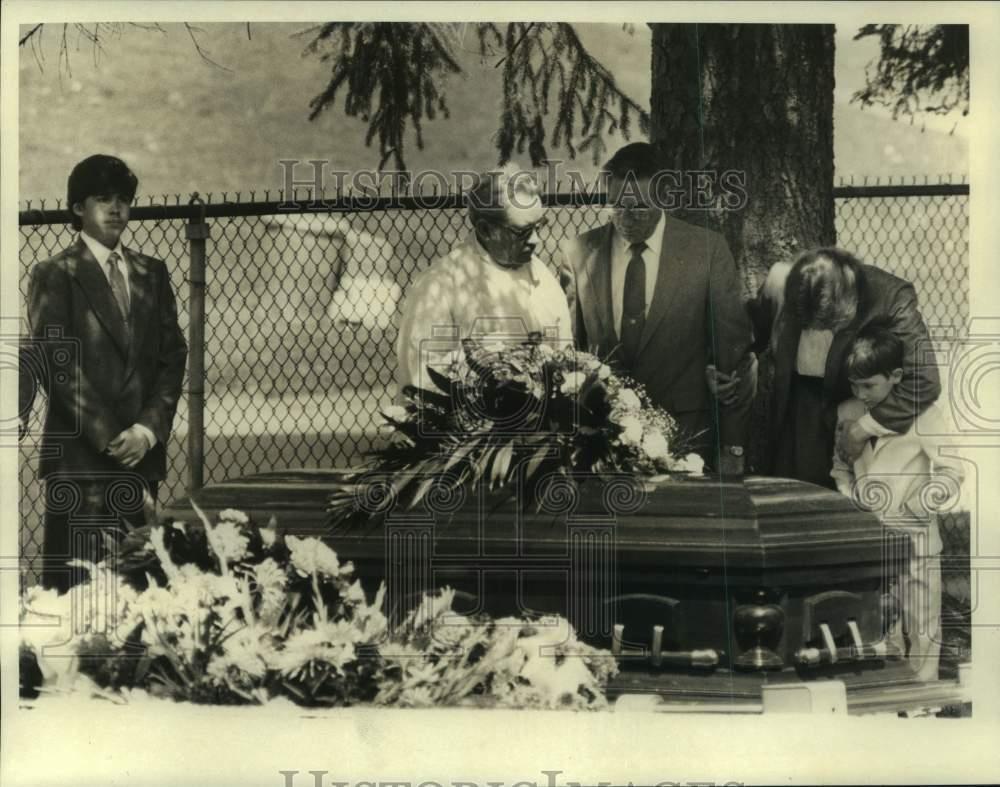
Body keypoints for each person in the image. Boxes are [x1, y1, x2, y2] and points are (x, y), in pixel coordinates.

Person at [26, 154, 188, 592]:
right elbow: (59, 365)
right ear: (78, 207)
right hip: (81, 465)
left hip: (140, 460)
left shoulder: (151, 273)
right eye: (102, 198)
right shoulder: (55, 274)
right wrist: (114, 438)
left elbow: (172, 357)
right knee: (78, 594)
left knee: (139, 591)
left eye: (123, 199)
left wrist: (147, 431)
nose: (116, 208)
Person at [560, 142, 756, 474]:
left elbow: (733, 361)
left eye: (639, 206)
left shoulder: (706, 251)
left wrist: (733, 446)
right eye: (616, 204)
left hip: (686, 437)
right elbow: (571, 353)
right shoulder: (579, 253)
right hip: (602, 441)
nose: (626, 217)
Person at [831, 322, 962, 682]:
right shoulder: (847, 412)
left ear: (896, 377)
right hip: (870, 540)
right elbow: (840, 468)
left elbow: (952, 471)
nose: (861, 394)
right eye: (855, 385)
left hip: (915, 538)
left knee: (922, 623)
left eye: (869, 385)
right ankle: (885, 691)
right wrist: (850, 502)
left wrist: (917, 507)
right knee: (878, 622)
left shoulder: (925, 414)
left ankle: (924, 694)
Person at [749, 247, 941, 488]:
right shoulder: (782, 280)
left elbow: (925, 380)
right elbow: (750, 330)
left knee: (853, 497)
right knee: (795, 493)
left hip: (856, 401)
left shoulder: (892, 296)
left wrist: (863, 428)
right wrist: (729, 366)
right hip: (800, 406)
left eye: (831, 322)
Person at [396, 164, 572, 391]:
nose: (536, 240)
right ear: (485, 229)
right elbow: (419, 379)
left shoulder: (544, 278)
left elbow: (565, 358)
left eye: (540, 226)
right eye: (522, 231)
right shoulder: (440, 285)